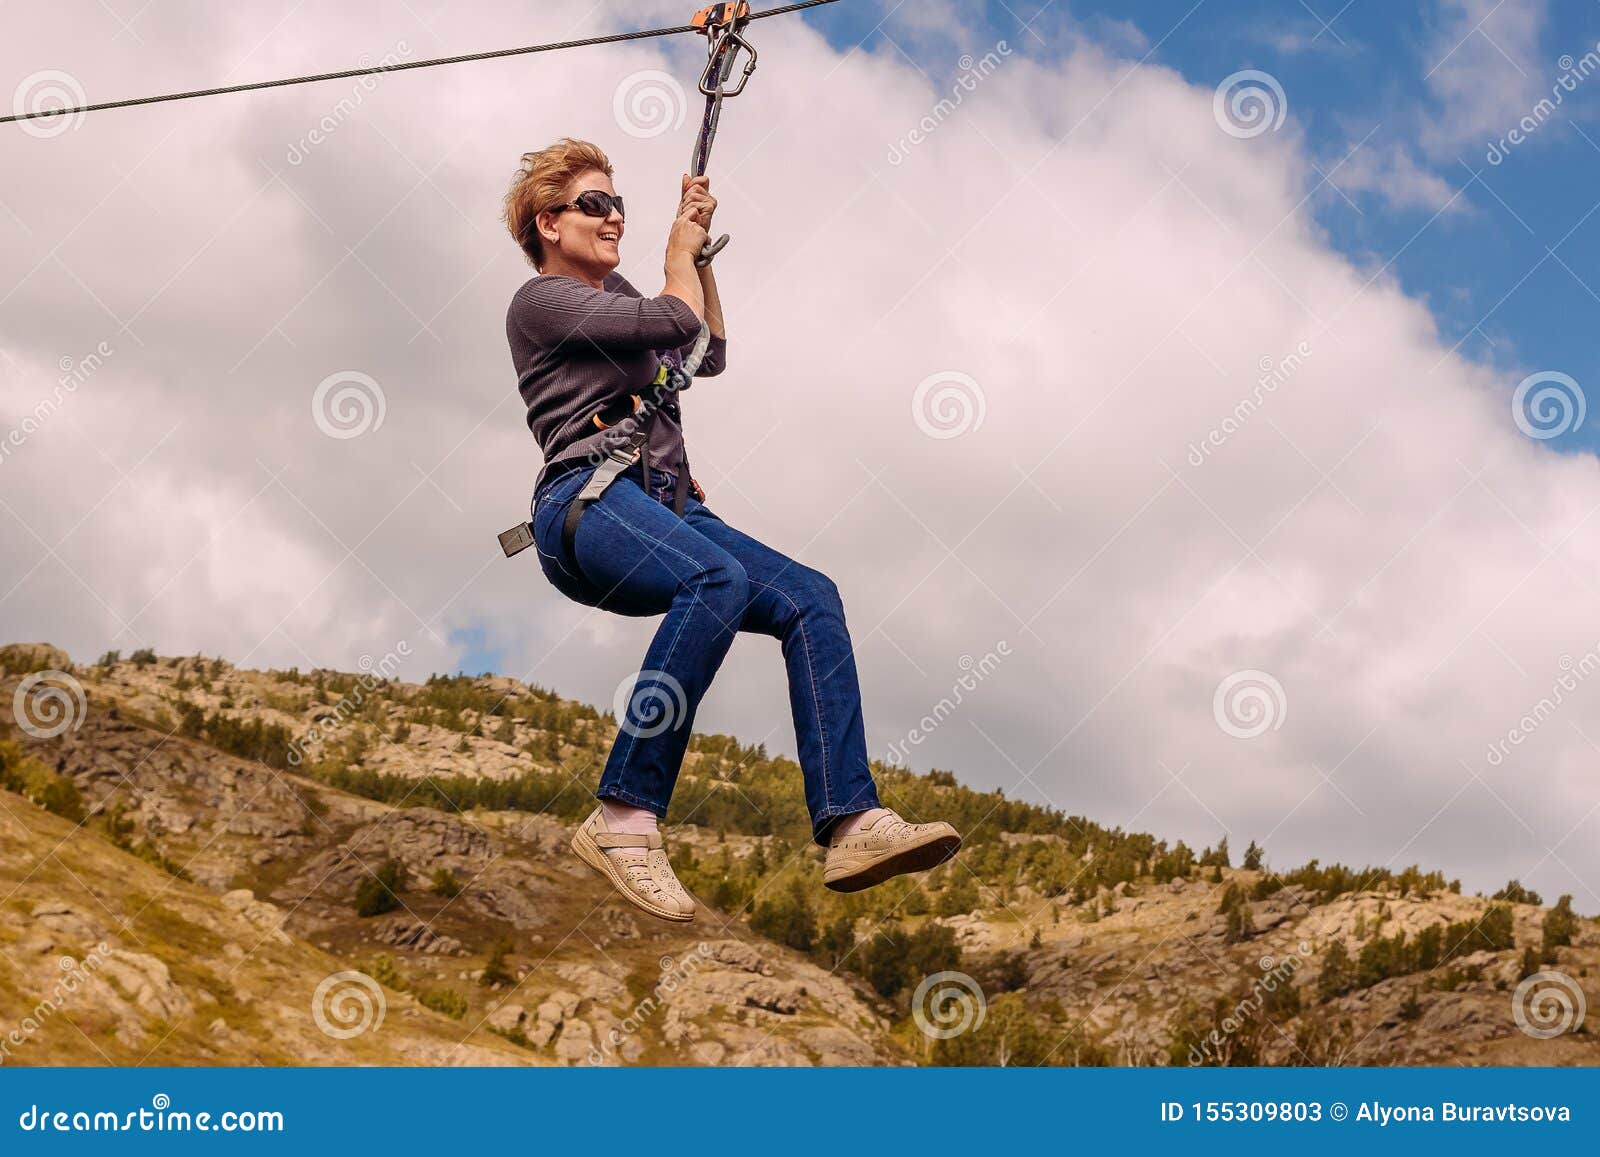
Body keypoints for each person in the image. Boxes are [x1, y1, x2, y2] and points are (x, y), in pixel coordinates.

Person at [503, 139, 960, 922]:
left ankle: (851, 818)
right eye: (594, 204)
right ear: (549, 223)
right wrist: (677, 256)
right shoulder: (541, 302)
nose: (613, 215)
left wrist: (699, 253)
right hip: (588, 500)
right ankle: (625, 814)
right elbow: (672, 316)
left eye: (619, 203)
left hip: (664, 505)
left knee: (811, 598)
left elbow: (703, 350)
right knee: (715, 579)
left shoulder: (619, 302)